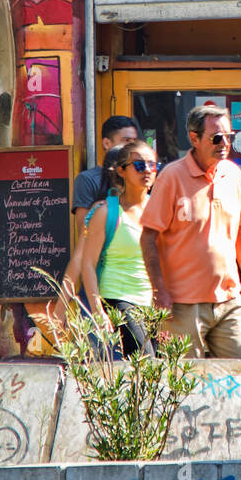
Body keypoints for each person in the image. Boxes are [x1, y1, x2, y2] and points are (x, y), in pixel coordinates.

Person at [140, 104, 241, 358]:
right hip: (181, 304)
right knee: (184, 385)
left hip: (229, 300)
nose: (225, 143)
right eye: (217, 137)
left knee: (238, 378)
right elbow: (148, 236)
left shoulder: (233, 174)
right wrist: (158, 290)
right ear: (194, 139)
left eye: (229, 137)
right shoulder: (172, 176)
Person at [76, 141, 159, 357]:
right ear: (121, 170)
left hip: (153, 302)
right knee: (145, 360)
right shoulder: (106, 212)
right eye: (140, 165)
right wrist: (98, 310)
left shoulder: (159, 209)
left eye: (153, 165)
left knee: (158, 370)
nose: (148, 171)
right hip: (118, 297)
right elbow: (87, 264)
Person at [73, 115, 140, 230]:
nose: (131, 147)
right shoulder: (88, 179)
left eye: (134, 142)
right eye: (126, 141)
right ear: (107, 143)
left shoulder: (140, 174)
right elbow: (84, 231)